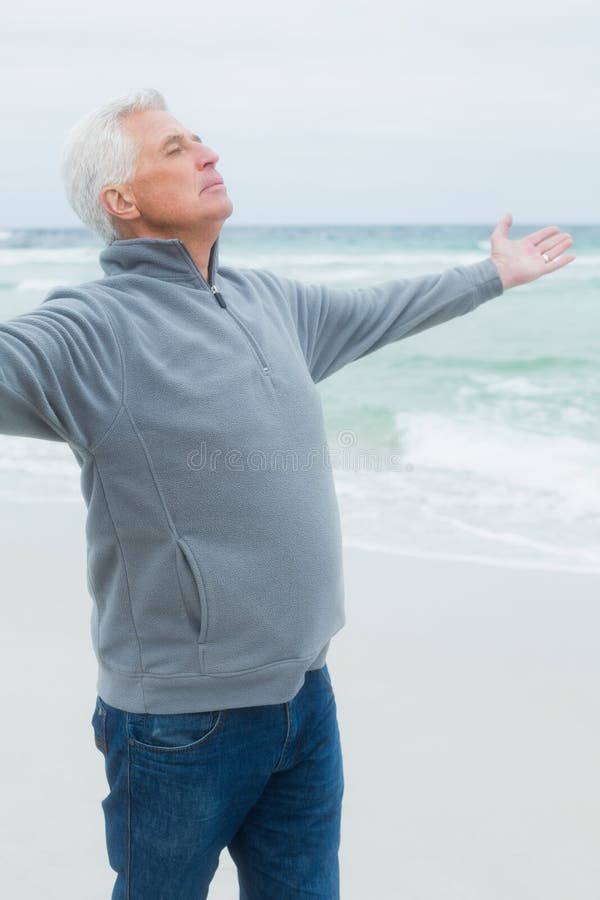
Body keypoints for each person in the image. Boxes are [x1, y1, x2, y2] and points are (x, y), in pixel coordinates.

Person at [0, 88, 575, 899]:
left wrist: (492, 276)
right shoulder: (92, 332)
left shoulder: (271, 301)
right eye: (174, 149)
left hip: (307, 696)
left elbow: (385, 308)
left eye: (200, 139)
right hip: (180, 726)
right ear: (120, 201)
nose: (207, 154)